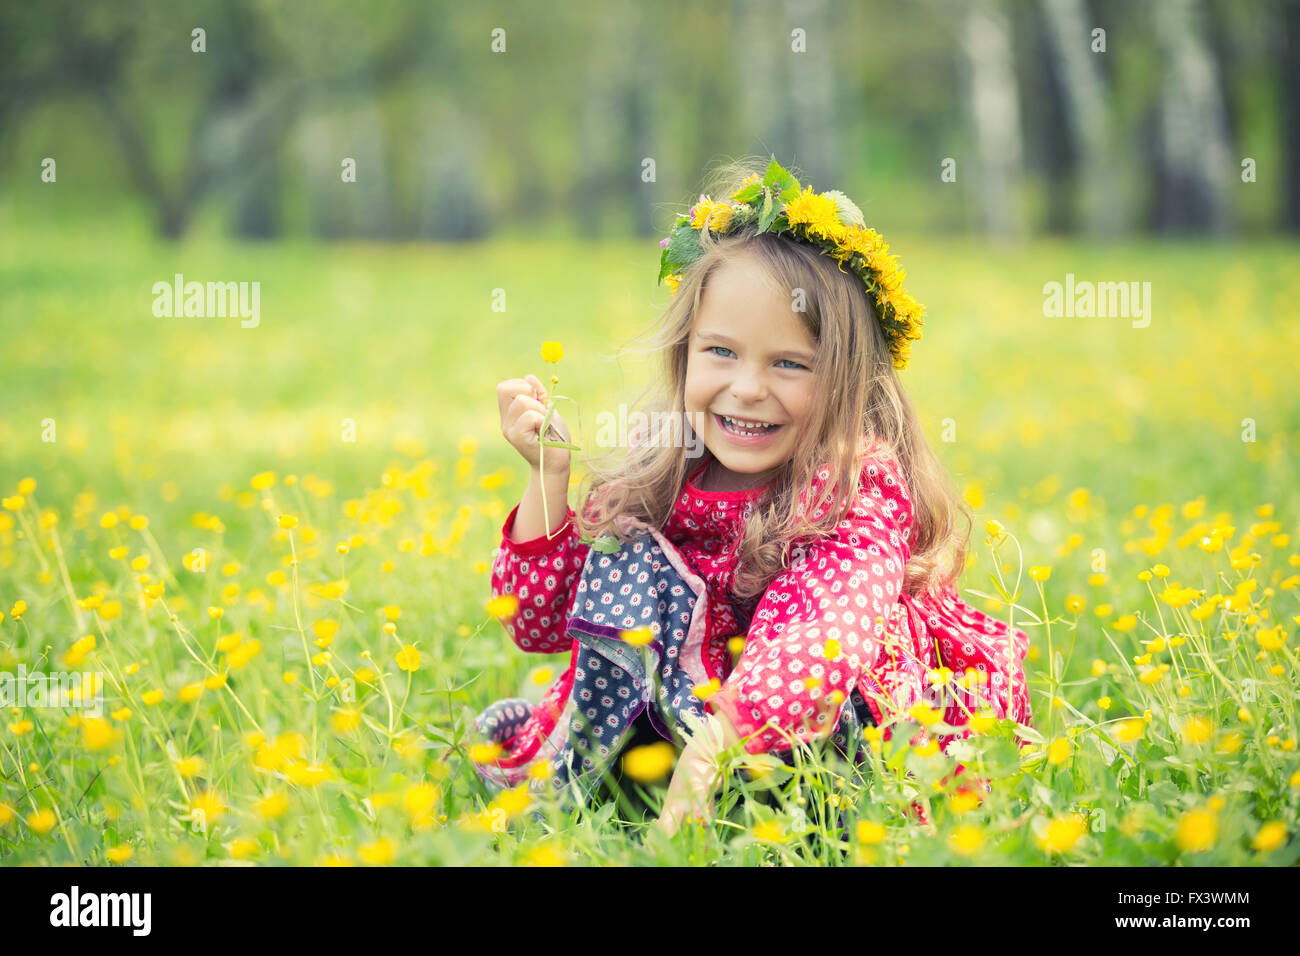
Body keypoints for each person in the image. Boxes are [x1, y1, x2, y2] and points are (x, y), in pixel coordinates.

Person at [477, 155, 1033, 839]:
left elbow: (822, 638)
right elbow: (538, 625)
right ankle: (627, 778)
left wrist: (715, 747)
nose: (746, 388)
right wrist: (549, 477)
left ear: (850, 380)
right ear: (684, 353)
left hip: (820, 720)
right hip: (692, 723)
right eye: (721, 353)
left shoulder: (854, 484)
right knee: (628, 556)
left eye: (790, 363)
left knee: (822, 740)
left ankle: (759, 802)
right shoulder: (661, 470)